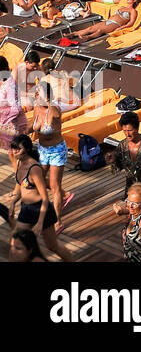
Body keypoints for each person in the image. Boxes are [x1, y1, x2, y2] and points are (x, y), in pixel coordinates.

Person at [4, 134, 72, 261]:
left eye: (18, 149)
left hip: (41, 211)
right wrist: (13, 202)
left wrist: (40, 223)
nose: (14, 152)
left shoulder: (34, 169)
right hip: (26, 209)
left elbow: (45, 198)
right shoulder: (19, 162)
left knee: (53, 246)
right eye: (13, 148)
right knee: (16, 242)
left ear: (27, 150)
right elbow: (22, 188)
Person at [29, 83, 69, 221]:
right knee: (36, 179)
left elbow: (55, 113)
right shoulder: (36, 108)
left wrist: (47, 100)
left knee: (54, 185)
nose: (36, 96)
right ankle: (65, 195)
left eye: (39, 93)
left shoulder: (54, 109)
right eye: (36, 93)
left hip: (57, 150)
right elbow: (33, 127)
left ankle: (58, 221)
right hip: (42, 150)